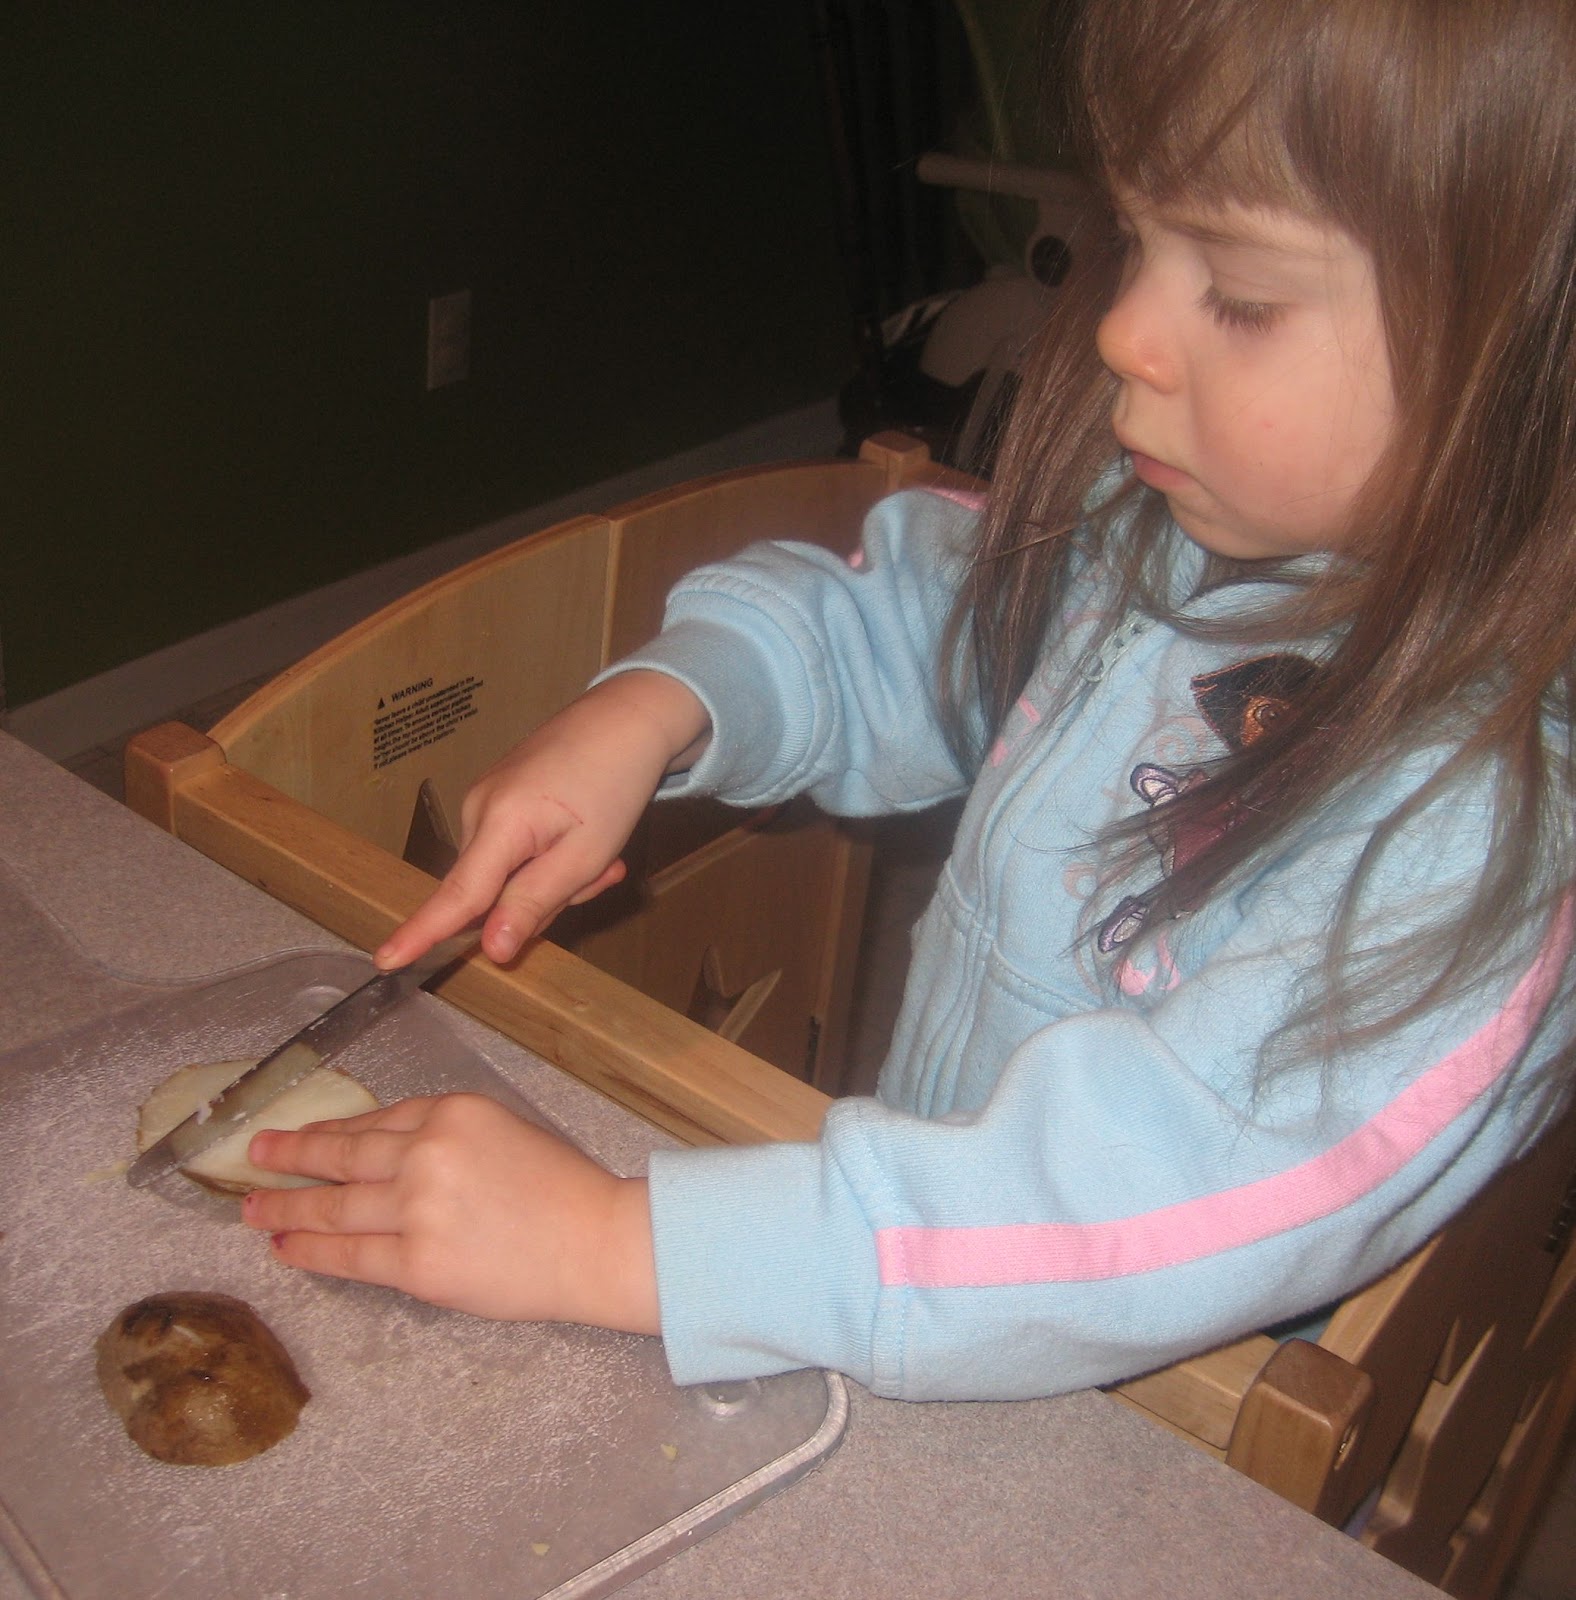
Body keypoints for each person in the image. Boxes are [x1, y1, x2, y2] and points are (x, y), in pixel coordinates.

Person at [242, 0, 1576, 1400]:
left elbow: (1118, 1221)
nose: (1121, 328)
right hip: (902, 1265)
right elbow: (908, 624)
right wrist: (663, 704)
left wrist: (613, 1247)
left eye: (1238, 293)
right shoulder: (1155, 524)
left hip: (1133, 1414)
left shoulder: (1479, 828)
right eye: (1136, 240)